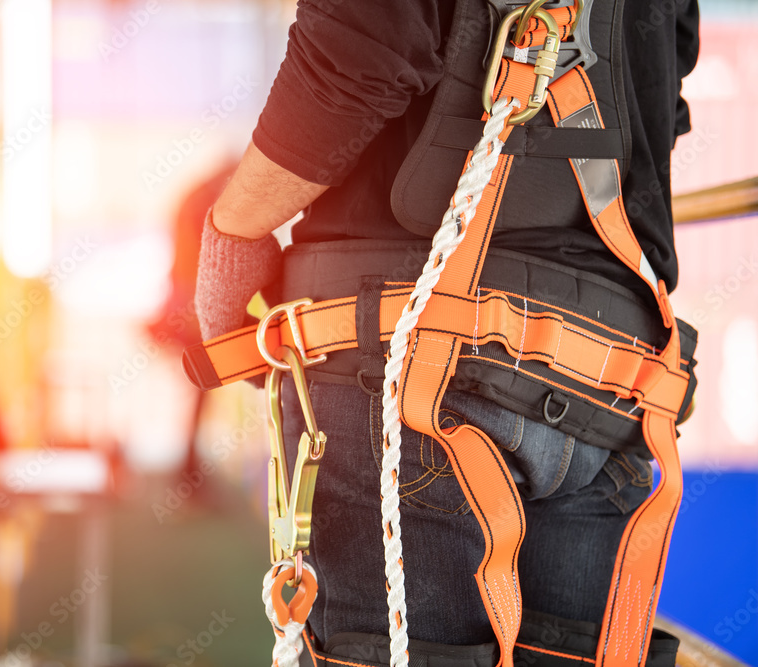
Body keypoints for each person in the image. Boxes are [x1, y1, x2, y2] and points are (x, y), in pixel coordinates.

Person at [192, 1, 700, 665]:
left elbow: (359, 53)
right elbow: (661, 75)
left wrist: (233, 230)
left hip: (416, 364)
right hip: (608, 382)